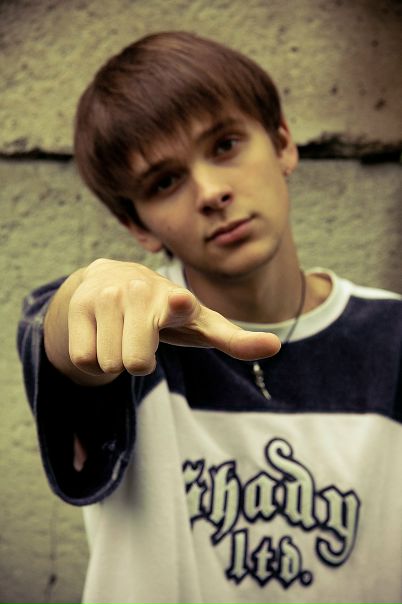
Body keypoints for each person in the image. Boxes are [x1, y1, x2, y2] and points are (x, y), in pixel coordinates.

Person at [18, 31, 402, 604]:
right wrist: (90, 296)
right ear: (139, 226)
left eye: (225, 145)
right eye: (165, 181)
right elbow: (67, 339)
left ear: (282, 144)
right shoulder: (134, 344)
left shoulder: (393, 339)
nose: (211, 192)